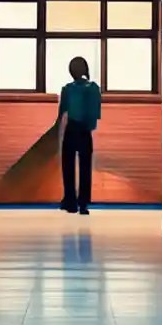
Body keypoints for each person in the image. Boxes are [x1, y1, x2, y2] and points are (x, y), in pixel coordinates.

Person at [57, 56, 102, 215]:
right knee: (85, 167)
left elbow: (61, 113)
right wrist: (89, 126)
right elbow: (96, 113)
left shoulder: (67, 89)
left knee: (67, 165)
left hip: (72, 129)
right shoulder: (93, 88)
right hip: (85, 131)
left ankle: (70, 201)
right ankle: (83, 204)